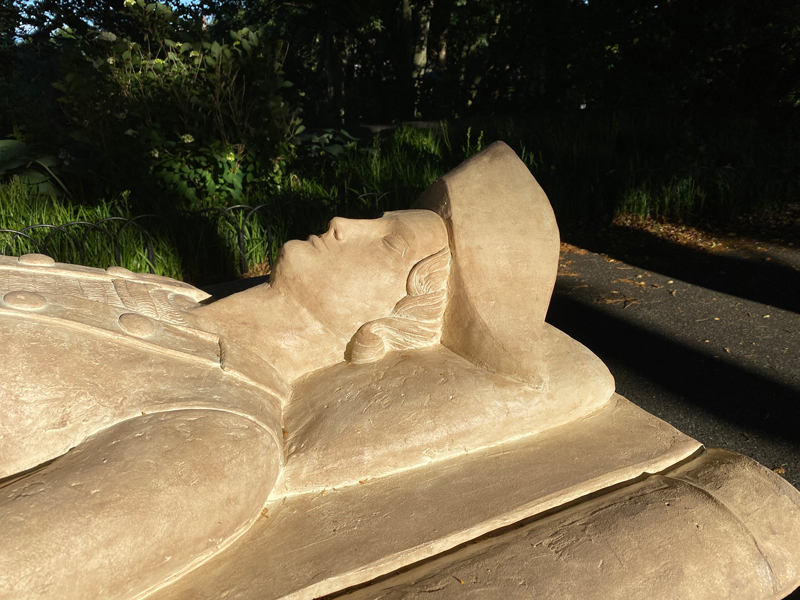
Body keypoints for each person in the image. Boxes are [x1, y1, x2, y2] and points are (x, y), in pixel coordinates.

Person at [0, 142, 614, 599]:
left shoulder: (219, 440)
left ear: (405, 323)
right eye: (378, 218)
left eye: (389, 244)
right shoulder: (174, 295)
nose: (346, 222)